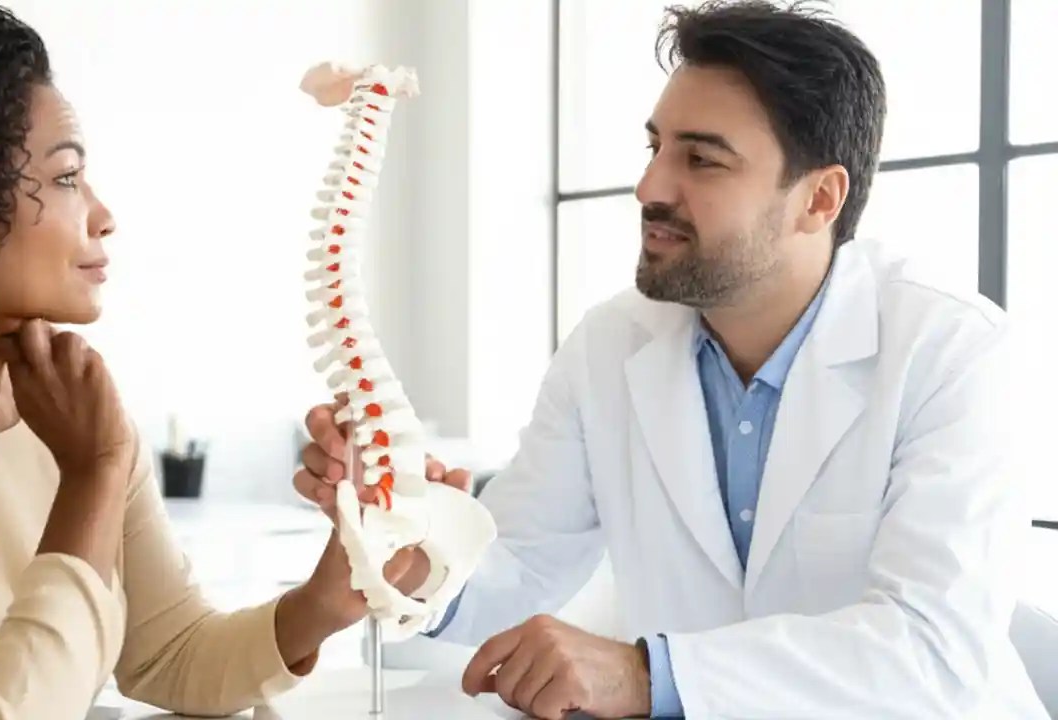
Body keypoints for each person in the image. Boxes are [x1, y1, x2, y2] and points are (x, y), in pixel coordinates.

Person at [296, 1, 1047, 718]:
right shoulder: (608, 345)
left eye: (704, 161)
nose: (651, 186)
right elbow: (518, 569)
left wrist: (644, 673)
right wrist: (408, 538)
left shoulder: (952, 350)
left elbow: (930, 650)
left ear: (819, 200)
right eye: (657, 147)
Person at [0, 2, 418, 718]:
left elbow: (169, 651)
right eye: (63, 178)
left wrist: (326, 599)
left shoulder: (64, 414)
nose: (103, 213)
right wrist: (92, 476)